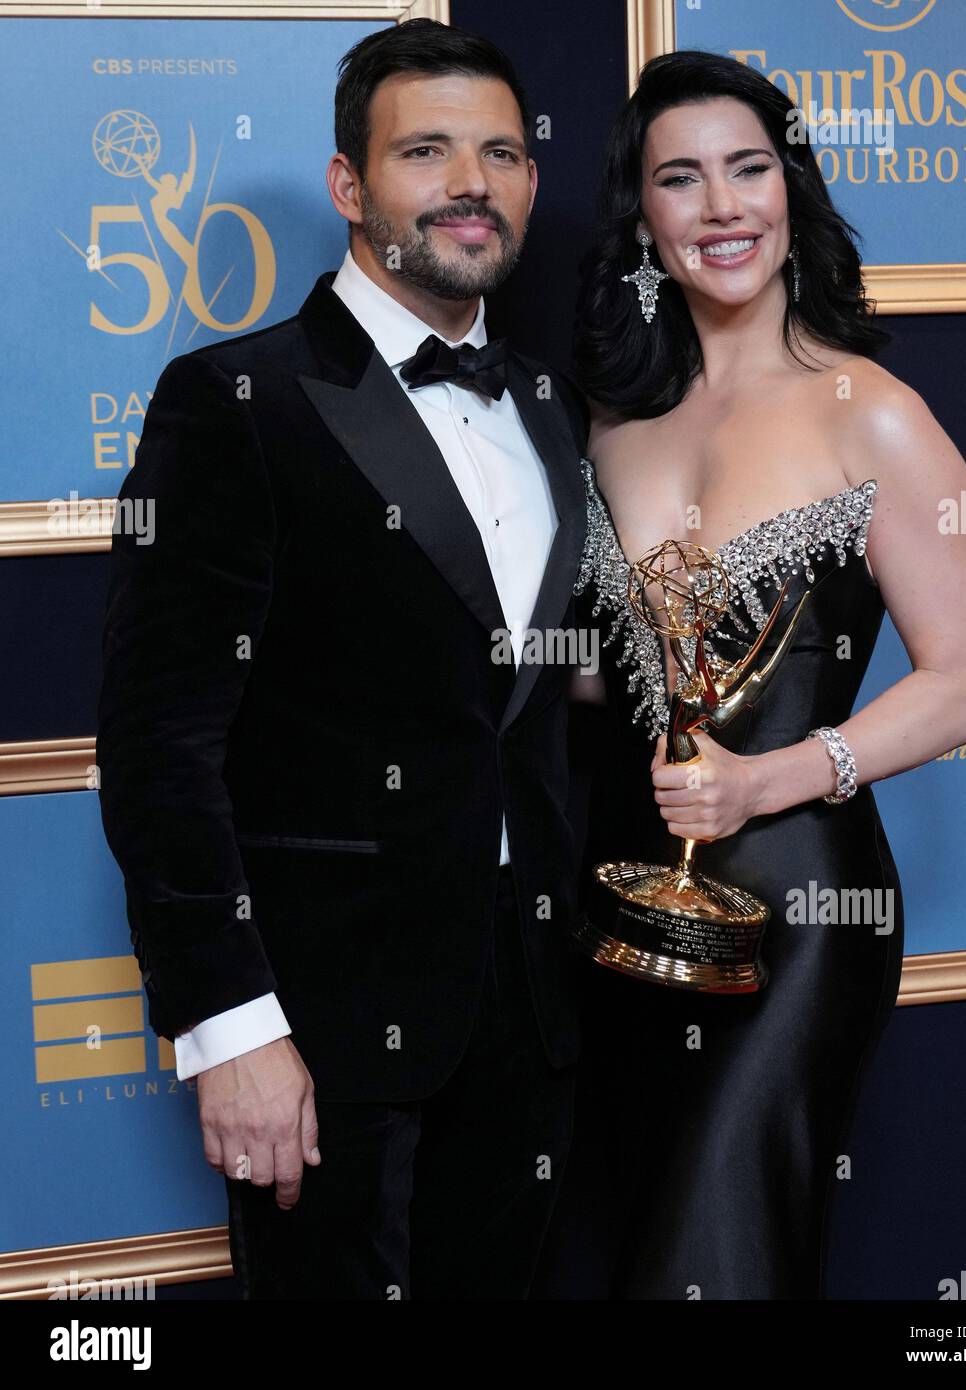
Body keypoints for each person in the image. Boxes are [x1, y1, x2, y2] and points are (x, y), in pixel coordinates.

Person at [96, 18, 589, 1300]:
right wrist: (230, 1030)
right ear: (349, 186)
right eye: (424, 151)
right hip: (318, 1017)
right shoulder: (233, 401)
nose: (468, 181)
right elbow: (159, 746)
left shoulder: (547, 406)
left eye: (497, 151)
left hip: (528, 1003)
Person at [560, 51, 966, 1299]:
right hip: (628, 912)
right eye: (679, 180)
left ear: (789, 191)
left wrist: (770, 783)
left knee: (724, 1241)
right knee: (637, 1239)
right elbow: (627, 675)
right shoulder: (613, 423)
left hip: (805, 909)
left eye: (748, 170)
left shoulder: (875, 411)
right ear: (640, 217)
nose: (719, 208)